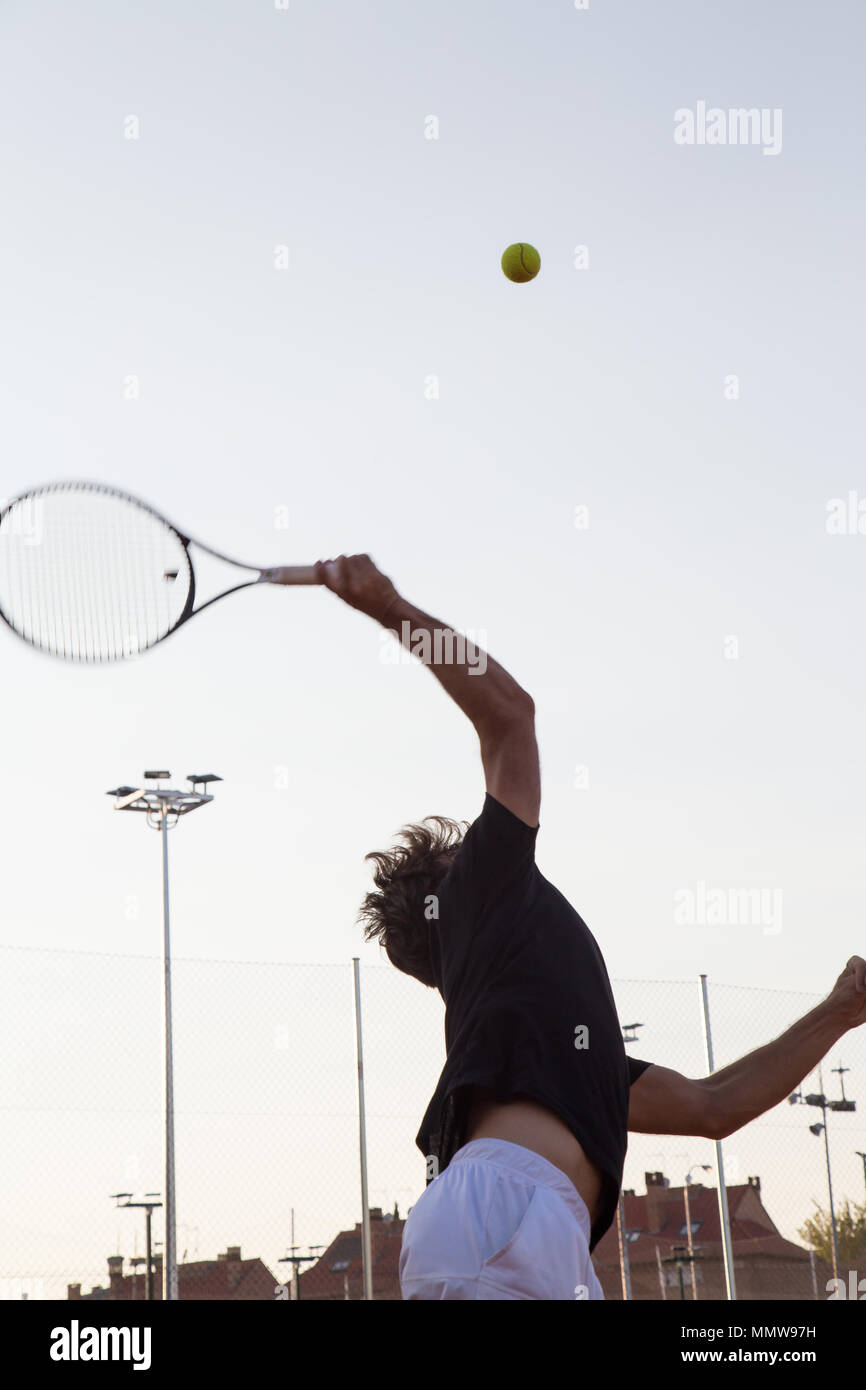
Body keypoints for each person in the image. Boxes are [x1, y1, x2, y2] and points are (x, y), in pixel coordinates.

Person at [316, 553, 866, 1301]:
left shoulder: (547, 1053)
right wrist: (390, 606)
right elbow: (510, 716)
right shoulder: (483, 893)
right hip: (504, 1218)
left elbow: (714, 1108)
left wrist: (841, 1010)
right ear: (453, 885)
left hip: (532, 1232)